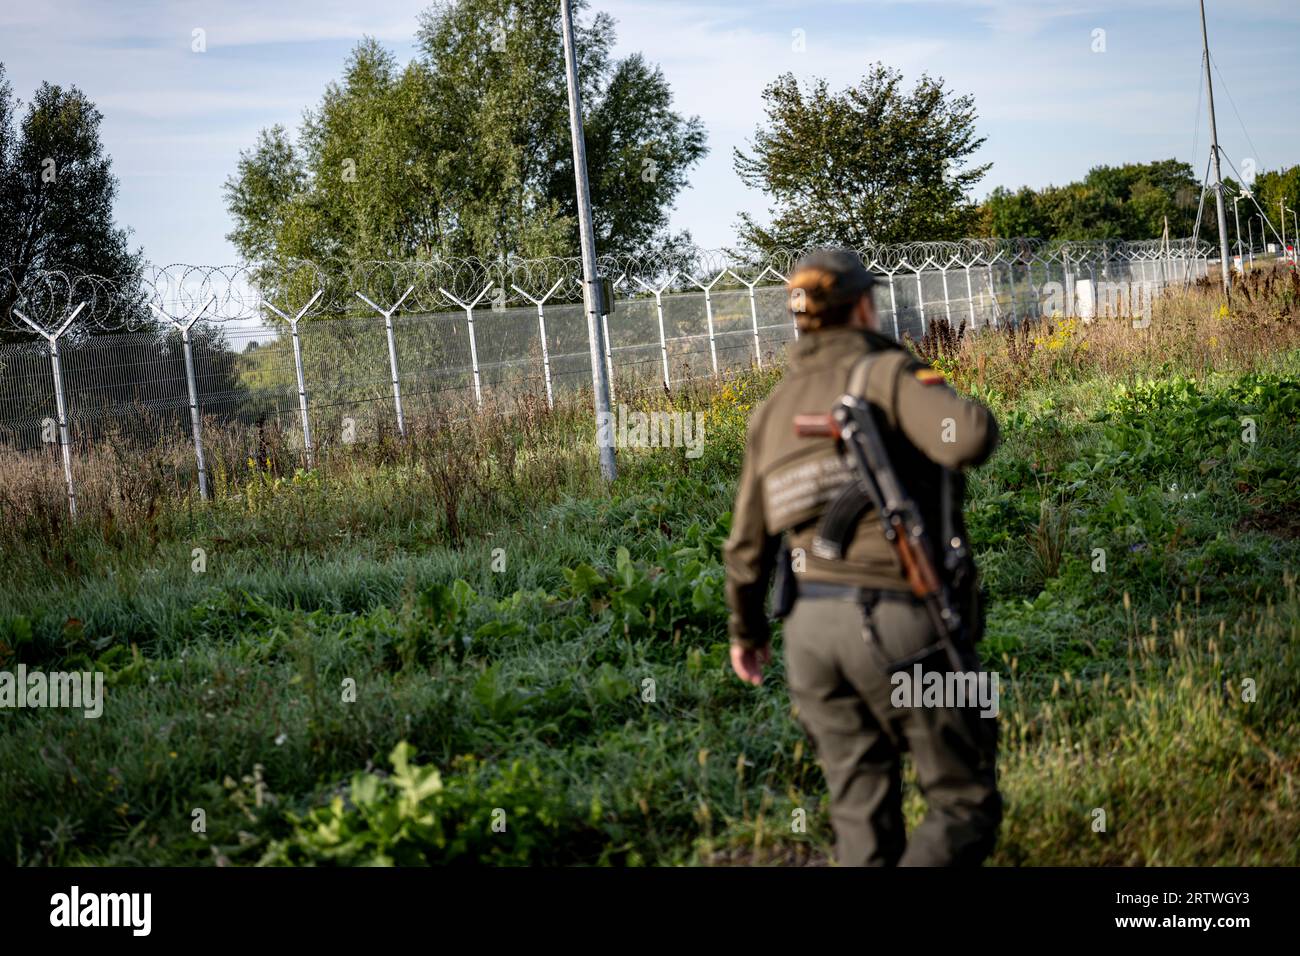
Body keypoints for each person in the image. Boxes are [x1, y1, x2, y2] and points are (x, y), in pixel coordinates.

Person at [723, 248, 1002, 866]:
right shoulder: (883, 373)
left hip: (810, 644)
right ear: (864, 306)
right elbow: (970, 437)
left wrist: (746, 633)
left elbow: (745, 547)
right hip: (904, 622)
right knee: (964, 802)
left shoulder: (770, 412)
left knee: (860, 819)